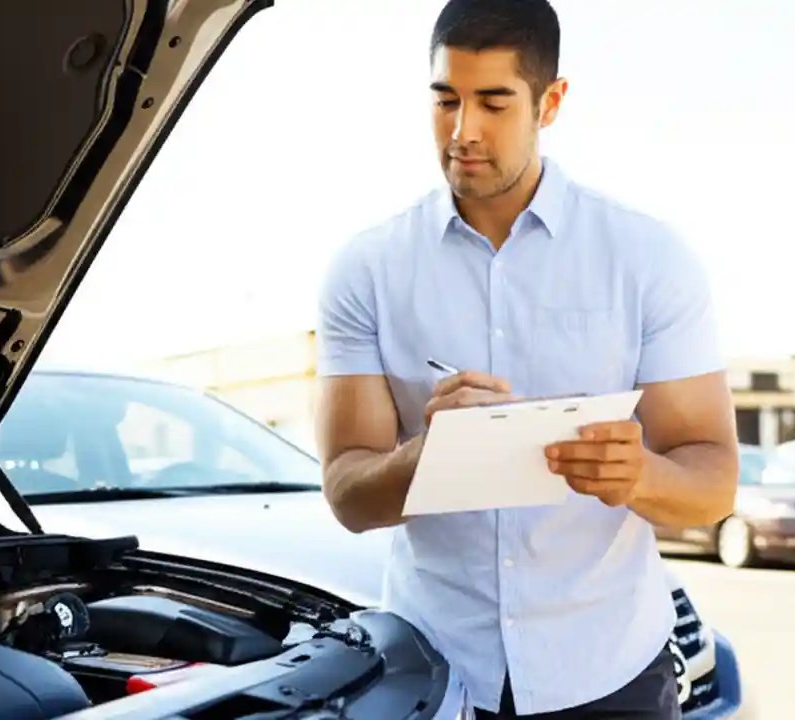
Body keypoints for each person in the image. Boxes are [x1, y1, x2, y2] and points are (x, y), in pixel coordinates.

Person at [312, 1, 739, 718]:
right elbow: (348, 494)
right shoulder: (368, 269)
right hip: (436, 674)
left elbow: (714, 482)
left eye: (494, 102)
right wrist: (422, 458)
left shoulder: (646, 259)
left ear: (552, 102)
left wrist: (639, 475)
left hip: (608, 673)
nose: (463, 130)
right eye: (445, 99)